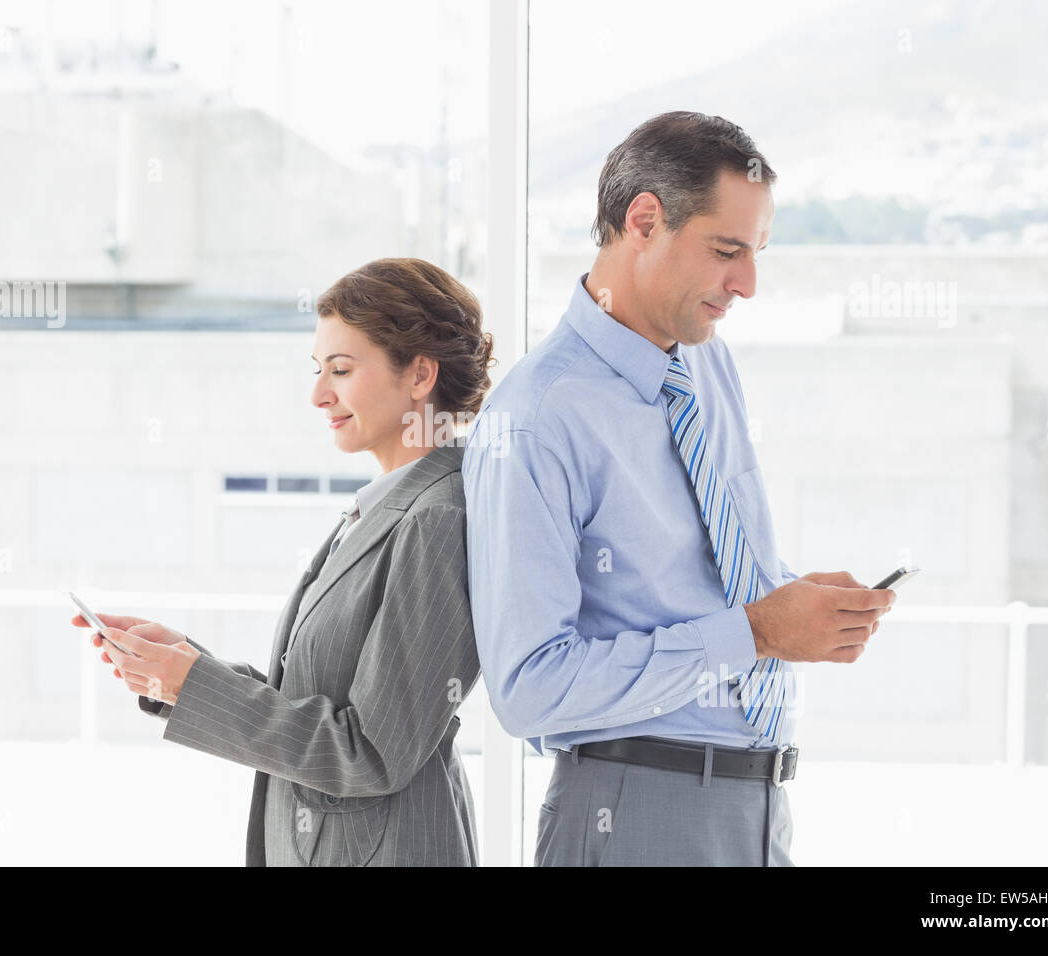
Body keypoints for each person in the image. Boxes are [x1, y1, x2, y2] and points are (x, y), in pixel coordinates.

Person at [462, 111, 896, 866]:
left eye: (756, 254)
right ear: (643, 221)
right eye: (727, 251)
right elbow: (530, 688)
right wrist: (757, 632)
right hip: (632, 814)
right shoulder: (535, 420)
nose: (747, 285)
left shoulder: (706, 364)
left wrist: (792, 604)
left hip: (760, 808)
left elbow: (700, 581)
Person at [72, 257, 493, 866]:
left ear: (421, 374)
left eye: (341, 370)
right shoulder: (382, 508)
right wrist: (187, 669)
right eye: (319, 370)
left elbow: (372, 753)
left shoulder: (434, 519)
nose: (319, 395)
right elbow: (317, 697)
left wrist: (192, 684)